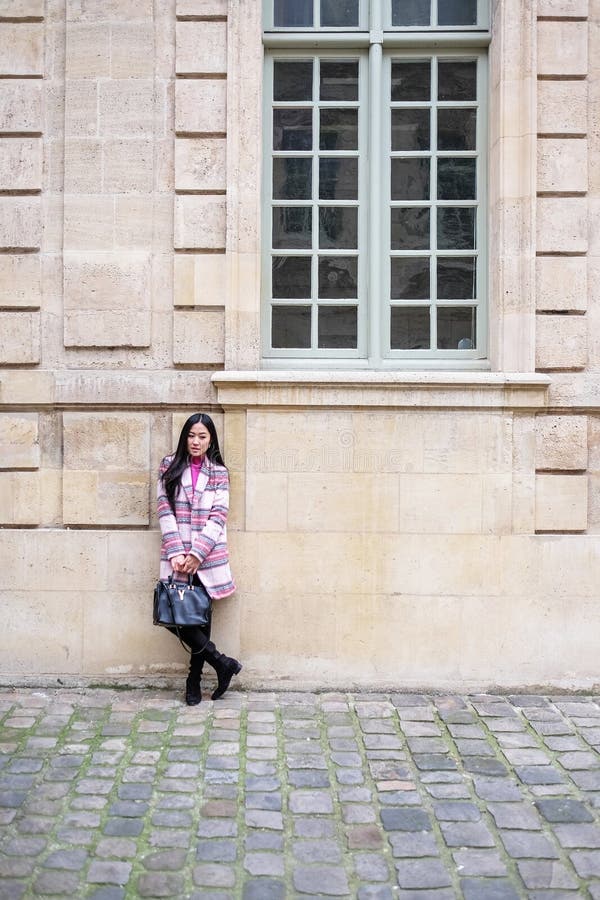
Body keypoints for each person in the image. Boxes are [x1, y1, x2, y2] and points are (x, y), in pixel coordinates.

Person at [157, 413, 241, 705]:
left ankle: (193, 680)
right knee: (173, 617)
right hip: (176, 556)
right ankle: (221, 663)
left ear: (210, 439)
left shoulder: (218, 472)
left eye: (202, 436)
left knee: (200, 618)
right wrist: (178, 552)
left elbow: (219, 515)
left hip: (207, 557)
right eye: (191, 435)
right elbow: (164, 509)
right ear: (185, 437)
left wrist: (196, 554)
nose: (196, 442)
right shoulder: (169, 465)